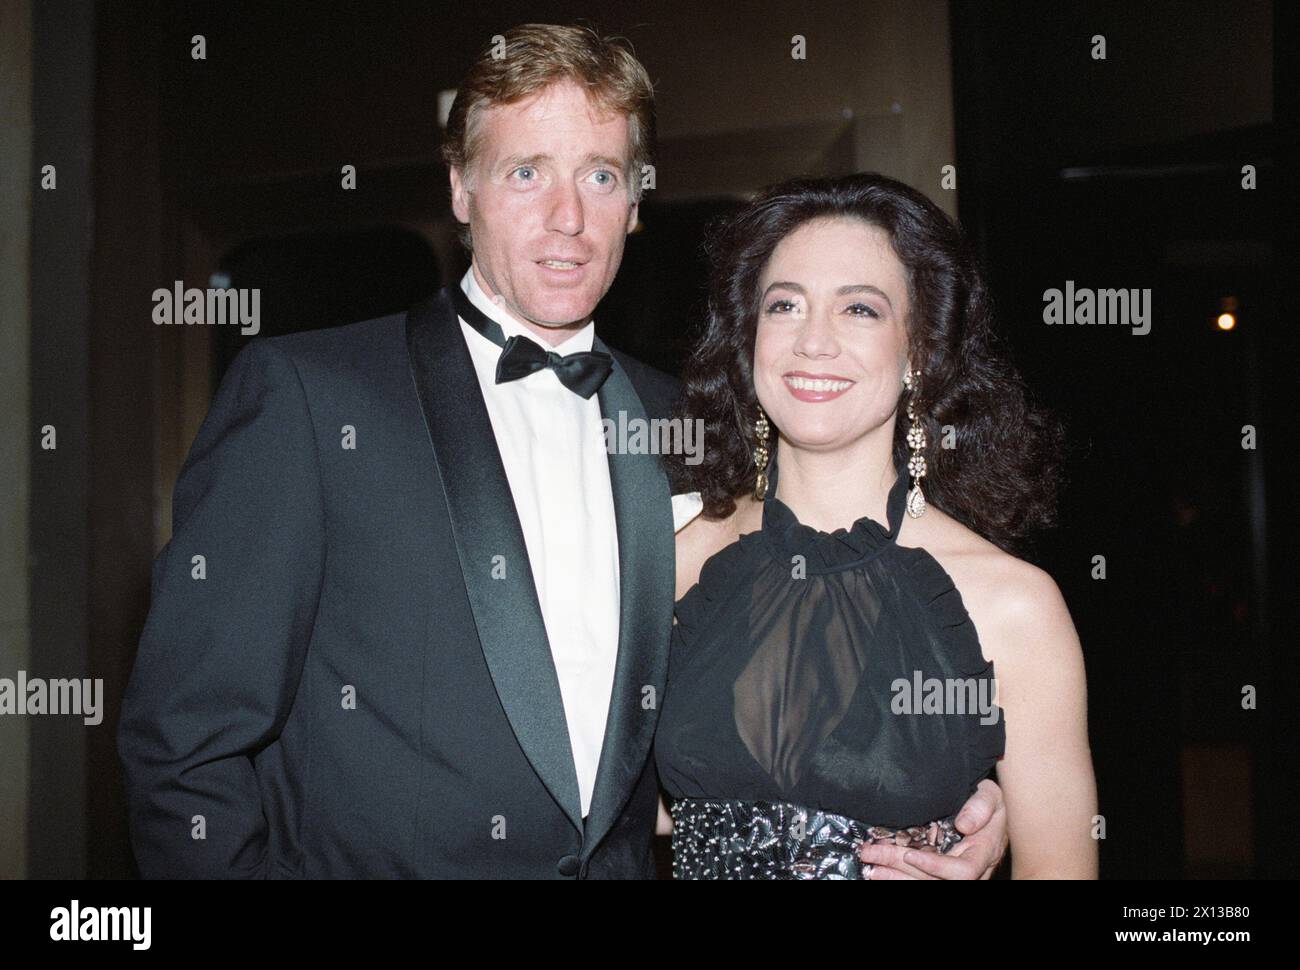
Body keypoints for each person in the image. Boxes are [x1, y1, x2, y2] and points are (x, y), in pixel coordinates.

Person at [118, 24, 1007, 879]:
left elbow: (748, 716)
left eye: (600, 174)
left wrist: (940, 804)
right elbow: (185, 741)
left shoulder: (688, 429)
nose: (567, 217)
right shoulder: (311, 396)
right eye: (526, 172)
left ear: (635, 201)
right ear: (462, 189)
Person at [655, 173, 1098, 879]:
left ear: (919, 350)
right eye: (784, 306)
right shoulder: (677, 562)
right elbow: (609, 803)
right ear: (749, 340)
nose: (814, 343)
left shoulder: (1013, 605)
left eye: (859, 309)